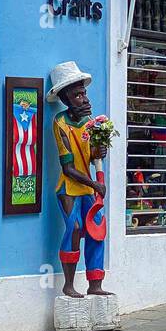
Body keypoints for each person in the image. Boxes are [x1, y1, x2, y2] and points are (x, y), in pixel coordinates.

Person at [47, 61, 111, 297]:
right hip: (69, 189)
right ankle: (69, 284)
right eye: (77, 95)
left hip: (87, 190)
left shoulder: (89, 123)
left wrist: (99, 150)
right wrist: (95, 184)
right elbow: (68, 168)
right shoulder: (60, 123)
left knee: (96, 232)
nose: (84, 99)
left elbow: (91, 155)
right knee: (74, 229)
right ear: (65, 99)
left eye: (84, 93)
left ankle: (95, 283)